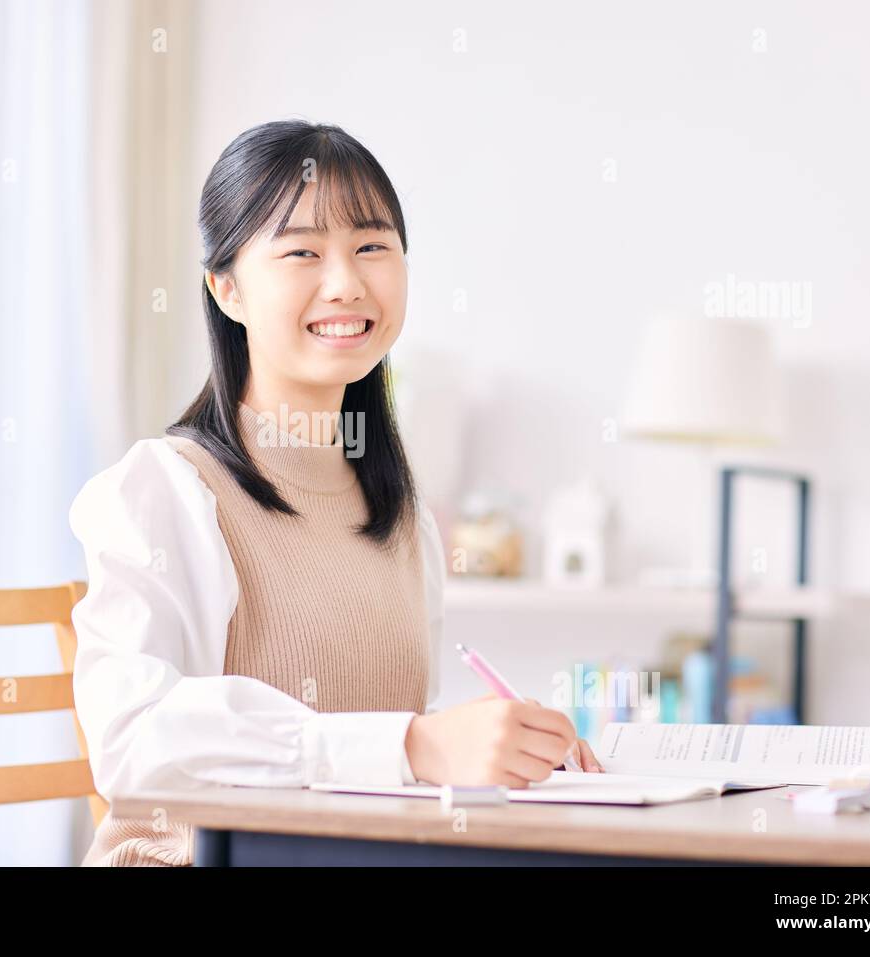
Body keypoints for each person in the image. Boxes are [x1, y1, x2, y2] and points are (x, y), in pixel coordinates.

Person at [69, 119, 601, 867]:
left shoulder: (401, 515)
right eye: (302, 252)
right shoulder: (166, 489)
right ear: (226, 288)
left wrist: (498, 747)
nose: (347, 281)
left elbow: (367, 750)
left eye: (372, 246)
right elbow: (133, 736)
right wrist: (414, 744)